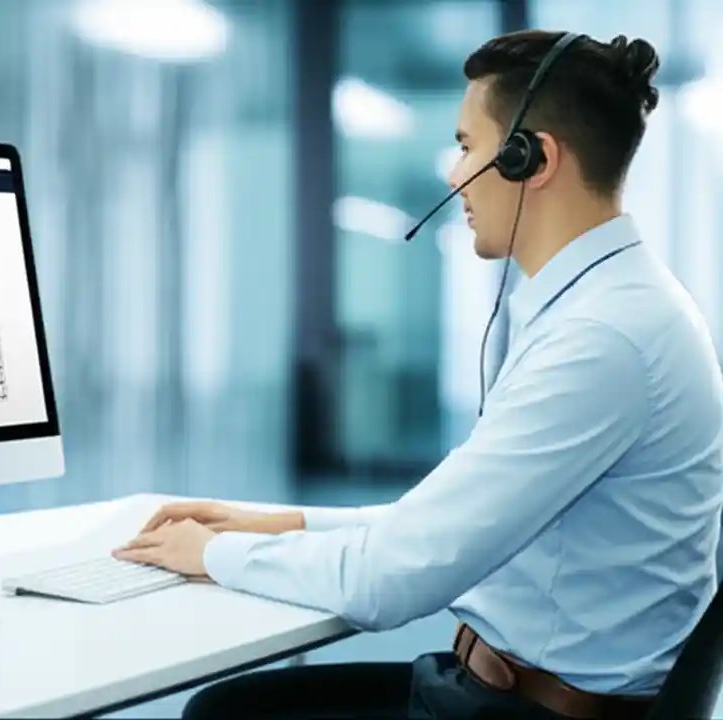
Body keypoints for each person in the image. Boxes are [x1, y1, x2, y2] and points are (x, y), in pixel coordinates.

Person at [113, 29, 723, 720]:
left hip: (524, 713)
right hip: (500, 689)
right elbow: (440, 525)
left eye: (467, 145)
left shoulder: (601, 340)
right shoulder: (610, 307)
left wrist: (213, 553)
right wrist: (278, 523)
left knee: (227, 714)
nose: (453, 174)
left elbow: (389, 581)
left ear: (531, 159)